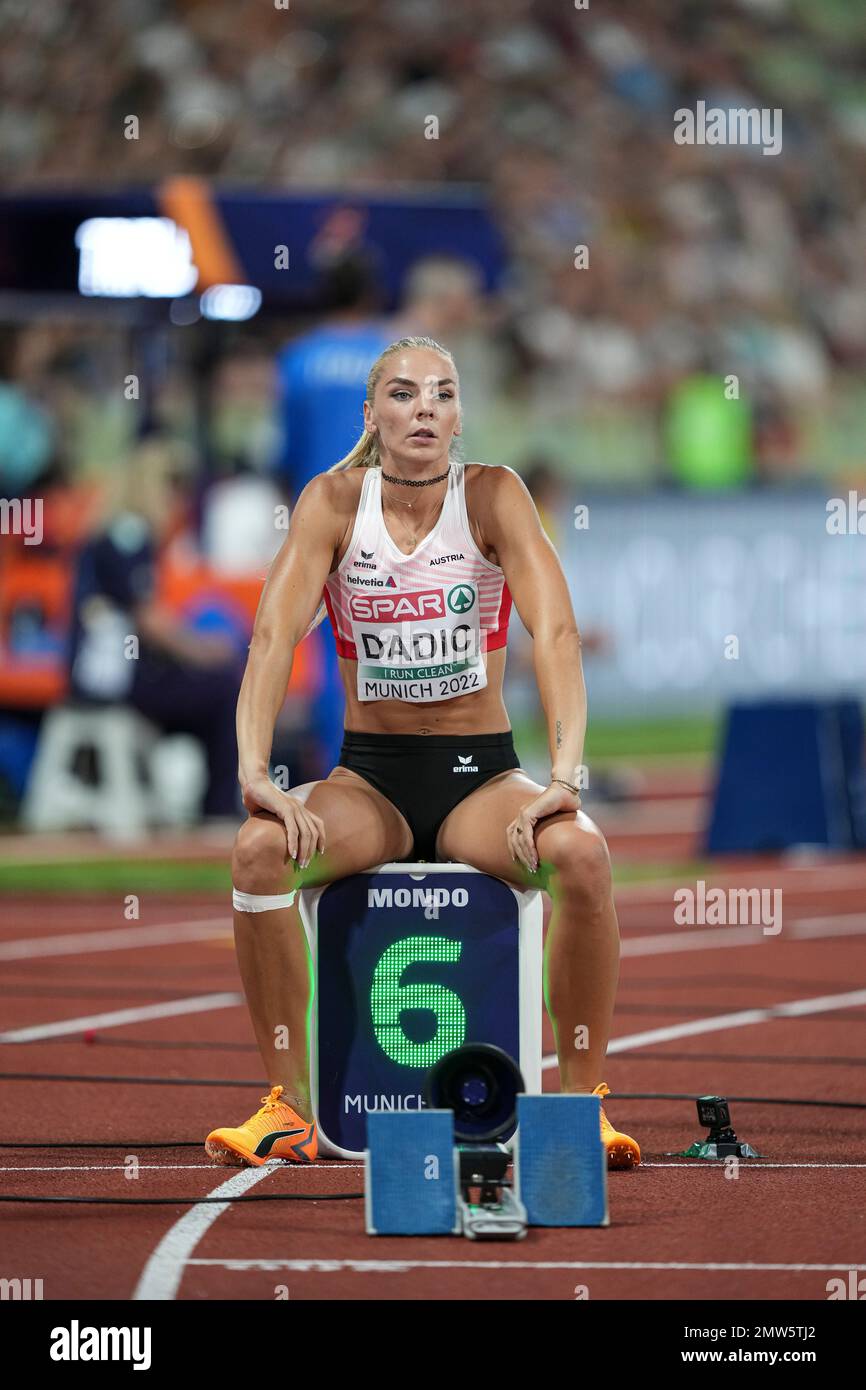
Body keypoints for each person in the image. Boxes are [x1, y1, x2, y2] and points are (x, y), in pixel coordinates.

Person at [205, 336, 640, 1170]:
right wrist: (256, 773)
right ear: (373, 415)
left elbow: (553, 634)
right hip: (372, 781)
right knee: (259, 852)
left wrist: (565, 778)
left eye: (443, 394)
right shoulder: (332, 504)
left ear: (459, 415)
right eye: (405, 394)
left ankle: (582, 1105)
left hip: (481, 782)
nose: (426, 409)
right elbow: (272, 635)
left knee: (581, 855)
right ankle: (287, 1108)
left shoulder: (495, 497)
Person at [66, 440, 244, 823]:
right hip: (109, 680)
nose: (177, 497)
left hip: (113, 675)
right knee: (224, 687)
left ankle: (199, 802)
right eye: (171, 484)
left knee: (210, 688)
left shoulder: (119, 534)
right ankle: (216, 811)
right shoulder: (127, 534)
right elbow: (150, 621)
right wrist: (203, 650)